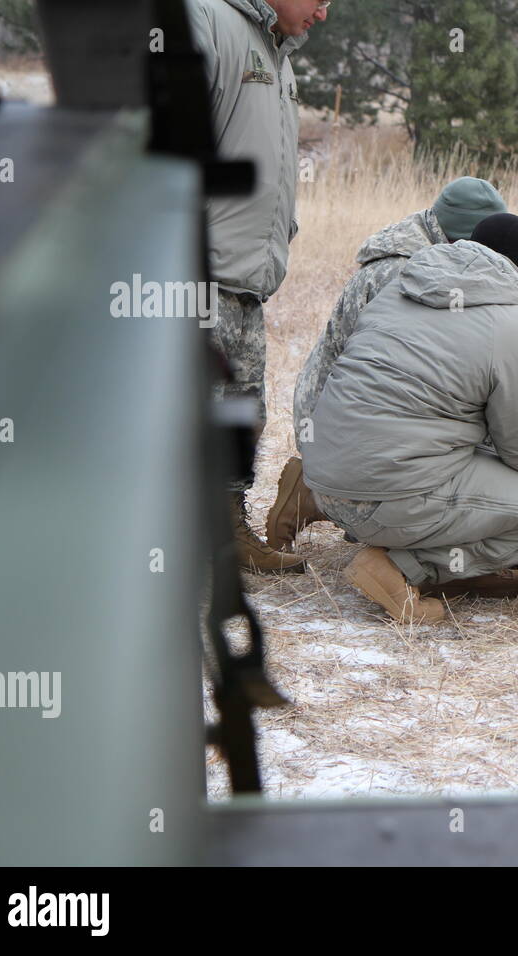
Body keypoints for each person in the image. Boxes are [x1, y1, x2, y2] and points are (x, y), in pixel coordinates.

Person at [299, 214, 518, 624]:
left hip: (324, 482)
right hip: (382, 499)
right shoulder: (512, 330)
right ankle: (405, 568)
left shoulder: (399, 289)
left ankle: (453, 571)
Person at [266, 177, 507, 553]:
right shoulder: (408, 275)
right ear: (462, 238)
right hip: (342, 428)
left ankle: (336, 499)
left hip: (345, 421)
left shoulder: (428, 257)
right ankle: (327, 498)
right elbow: (420, 385)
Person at [188, 0, 329, 572]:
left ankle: (226, 532)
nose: (324, 13)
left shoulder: (279, 57)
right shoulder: (206, 22)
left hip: (246, 278)